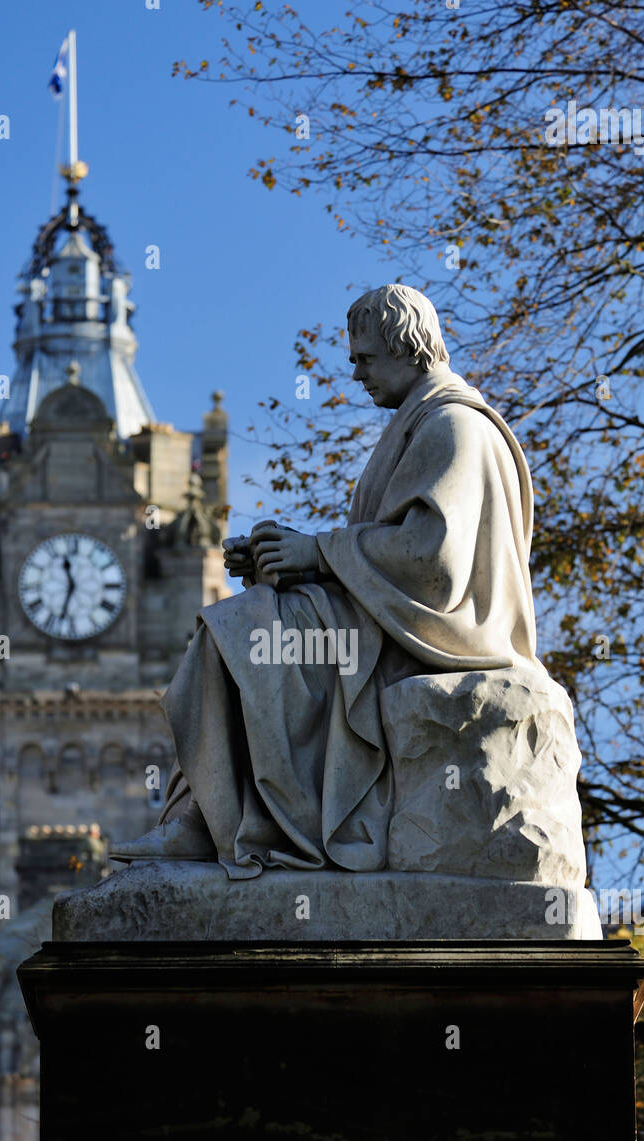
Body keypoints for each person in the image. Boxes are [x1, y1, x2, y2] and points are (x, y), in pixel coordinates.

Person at [111, 284, 542, 878]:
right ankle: (206, 816)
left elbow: (433, 562)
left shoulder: (452, 426)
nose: (355, 370)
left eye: (365, 357)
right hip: (396, 621)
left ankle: (214, 822)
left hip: (439, 637)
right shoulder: (419, 421)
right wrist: (283, 561)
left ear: (407, 347)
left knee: (237, 631)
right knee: (248, 620)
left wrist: (316, 552)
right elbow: (386, 558)